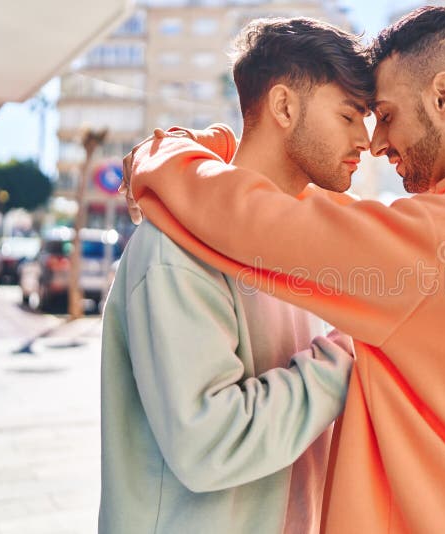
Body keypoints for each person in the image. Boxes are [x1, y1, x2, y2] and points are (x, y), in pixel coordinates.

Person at [123, 7, 445, 533]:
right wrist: (227, 146)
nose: (377, 143)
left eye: (384, 113)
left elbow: (258, 221)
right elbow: (296, 205)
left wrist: (166, 154)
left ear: (443, 97)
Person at [99, 18, 375, 533]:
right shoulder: (175, 245)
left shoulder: (302, 241)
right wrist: (352, 352)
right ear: (285, 106)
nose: (365, 139)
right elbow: (208, 443)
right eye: (348, 115)